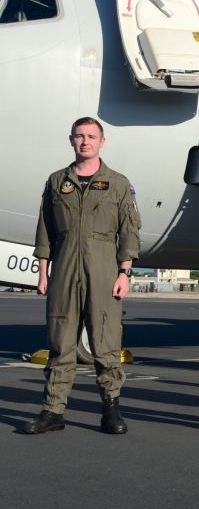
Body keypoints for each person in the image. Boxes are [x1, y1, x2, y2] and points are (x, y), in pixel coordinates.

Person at [23, 117, 141, 435]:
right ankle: (53, 411)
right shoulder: (56, 181)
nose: (85, 141)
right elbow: (45, 229)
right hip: (63, 267)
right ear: (71, 140)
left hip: (103, 267)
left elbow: (129, 231)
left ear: (102, 142)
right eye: (79, 136)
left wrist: (124, 272)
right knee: (61, 343)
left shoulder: (117, 182)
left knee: (105, 343)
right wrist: (43, 272)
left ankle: (111, 409)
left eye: (91, 136)